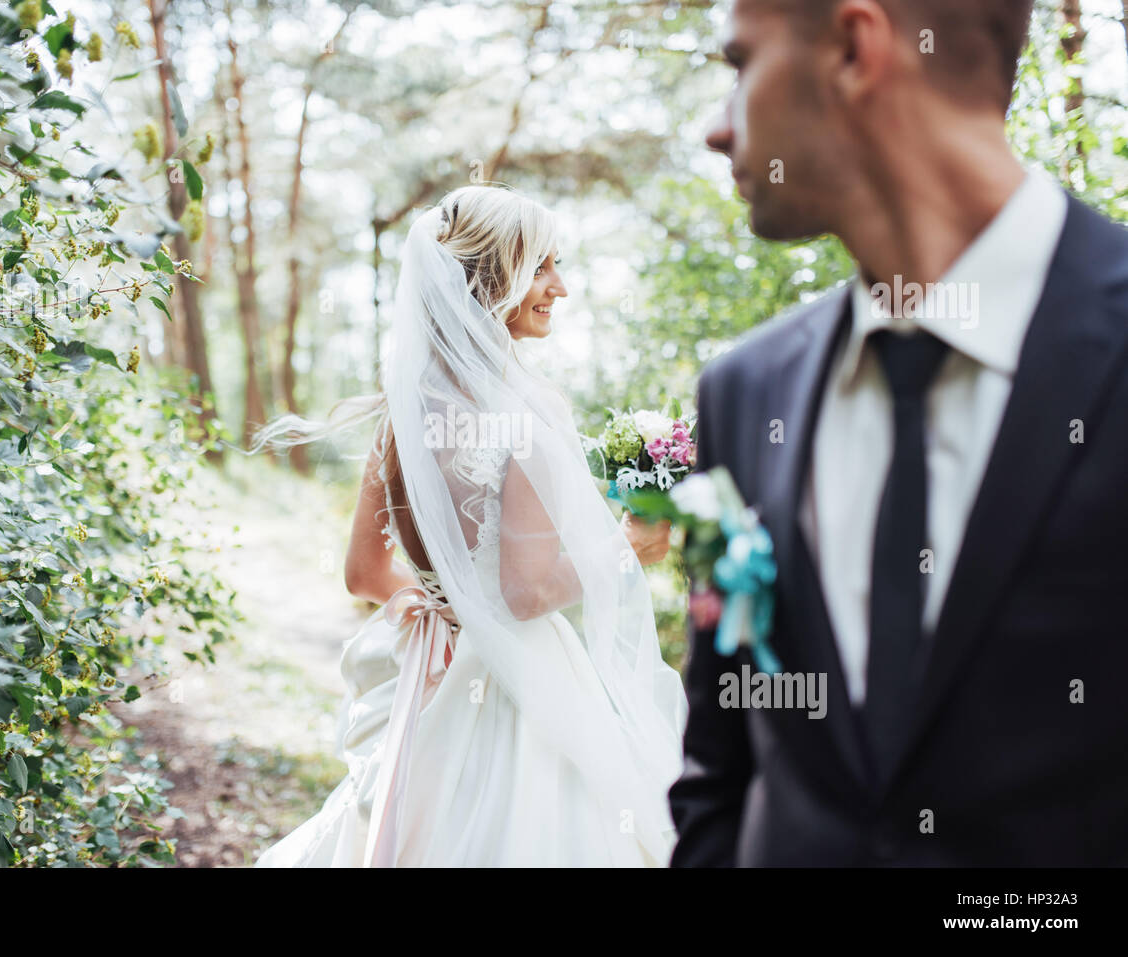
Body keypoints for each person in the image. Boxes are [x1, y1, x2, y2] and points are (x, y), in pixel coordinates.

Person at [670, 0, 1128, 866]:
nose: (715, 130)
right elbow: (718, 772)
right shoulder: (741, 392)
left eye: (740, 64)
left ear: (853, 46)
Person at [254, 184, 687, 866]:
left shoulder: (401, 409)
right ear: (494, 278)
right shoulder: (525, 413)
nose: (561, 287)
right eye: (543, 266)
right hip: (519, 680)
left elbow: (363, 574)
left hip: (428, 674)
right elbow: (526, 594)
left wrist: (445, 613)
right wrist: (629, 542)